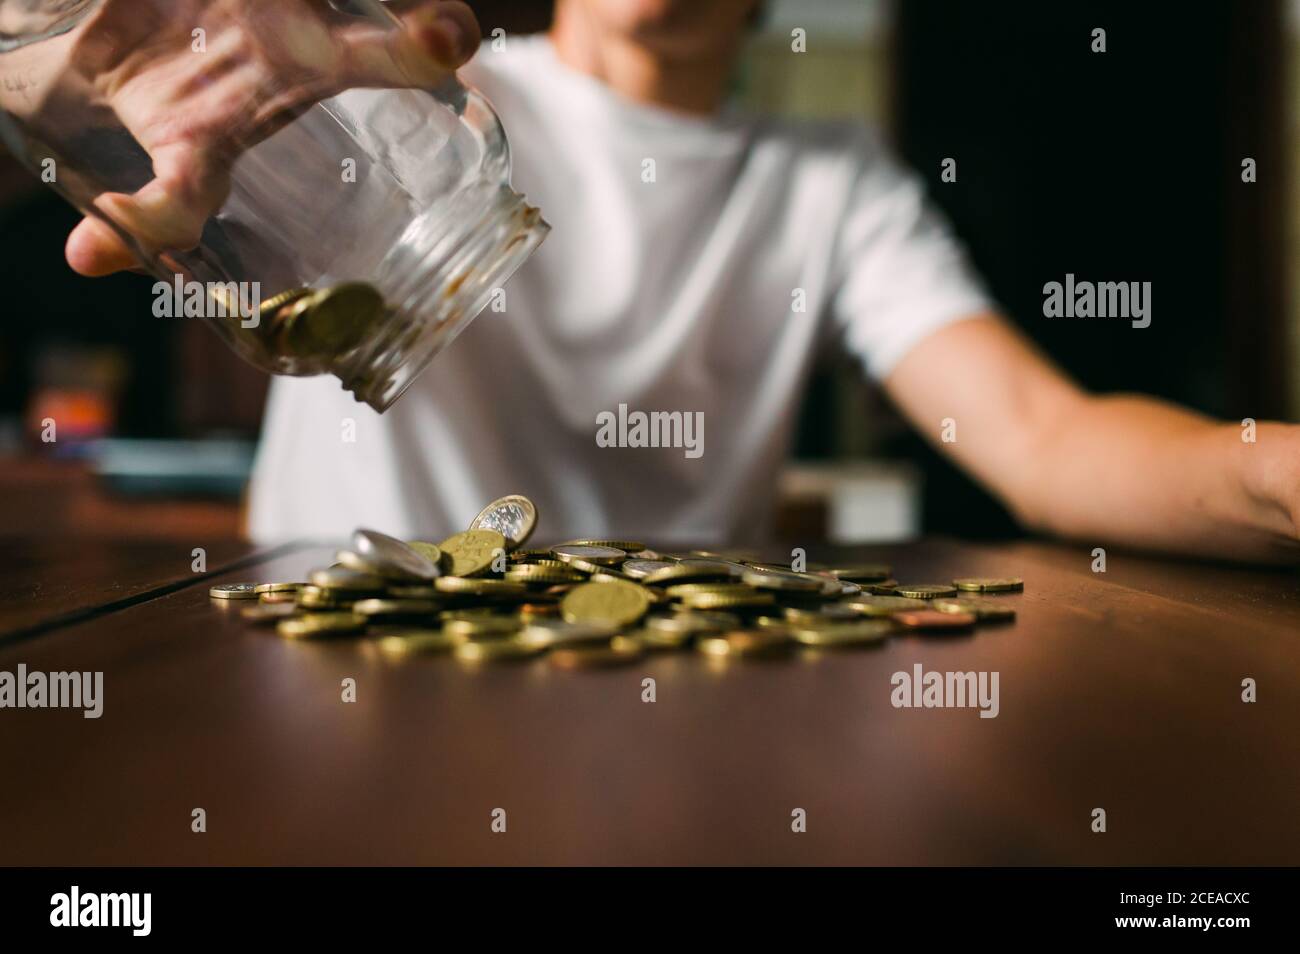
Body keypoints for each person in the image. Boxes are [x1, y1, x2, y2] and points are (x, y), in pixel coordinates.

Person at [38, 0, 1300, 558]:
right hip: (334, 659)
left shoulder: (830, 179)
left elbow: (1042, 436)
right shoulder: (399, 85)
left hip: (670, 696)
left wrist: (1265, 473)